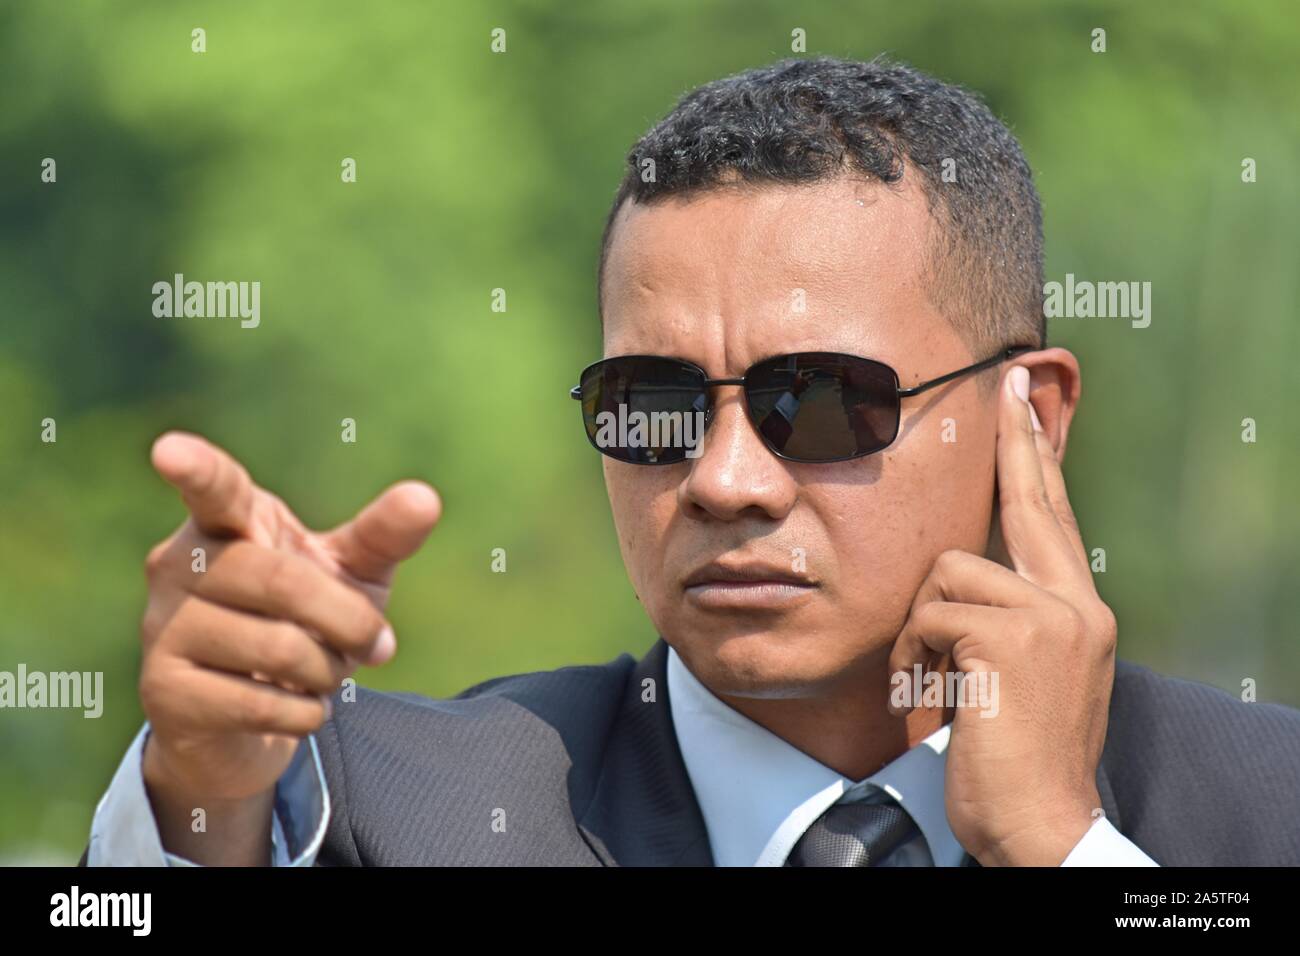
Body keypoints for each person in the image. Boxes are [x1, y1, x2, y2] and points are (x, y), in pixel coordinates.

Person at [84, 55, 1300, 867]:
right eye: (652, 403)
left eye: (816, 399)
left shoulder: (1261, 802)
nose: (724, 479)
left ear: (1027, 414)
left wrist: (1061, 843)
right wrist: (201, 788)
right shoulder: (393, 806)